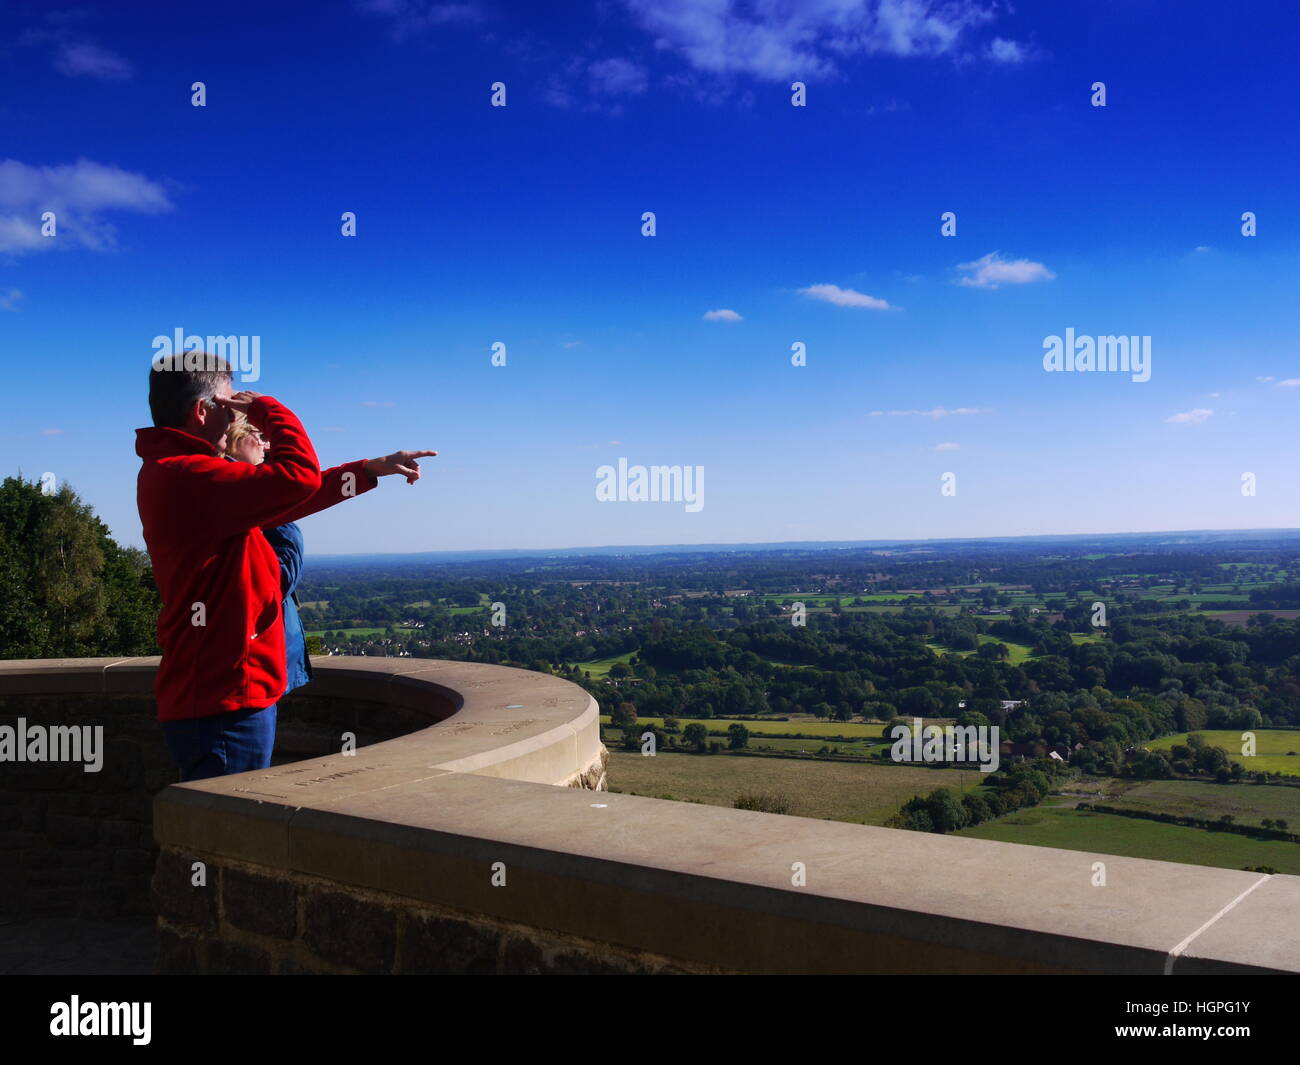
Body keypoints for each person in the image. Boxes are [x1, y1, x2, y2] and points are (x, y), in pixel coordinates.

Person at [135, 354, 435, 782]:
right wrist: (267, 408)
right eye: (228, 404)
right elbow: (297, 478)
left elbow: (286, 500)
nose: (237, 412)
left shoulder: (185, 475)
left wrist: (365, 471)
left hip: (226, 694)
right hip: (224, 699)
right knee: (231, 830)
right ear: (202, 411)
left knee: (229, 824)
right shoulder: (185, 475)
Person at [224, 414, 312, 697]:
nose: (266, 446)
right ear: (235, 438)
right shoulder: (240, 496)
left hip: (262, 656)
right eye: (259, 436)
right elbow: (277, 583)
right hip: (259, 661)